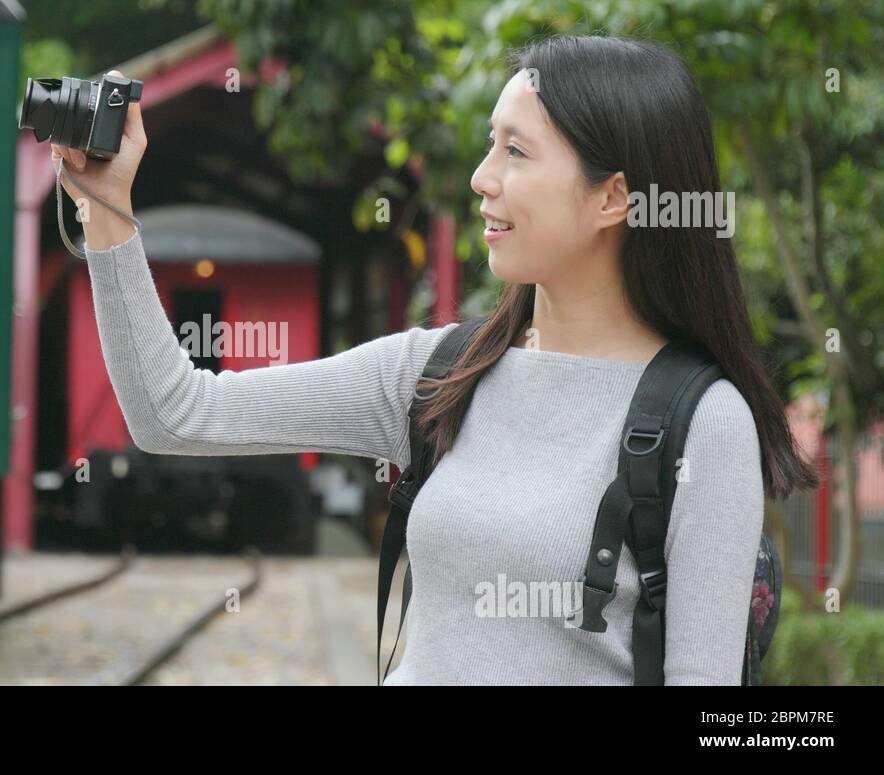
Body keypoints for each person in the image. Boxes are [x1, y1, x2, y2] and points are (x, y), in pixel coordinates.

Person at [51, 37, 816, 685]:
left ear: (613, 197)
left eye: (515, 150)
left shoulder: (703, 424)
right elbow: (174, 412)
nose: (483, 176)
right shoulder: (439, 375)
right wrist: (107, 208)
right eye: (490, 143)